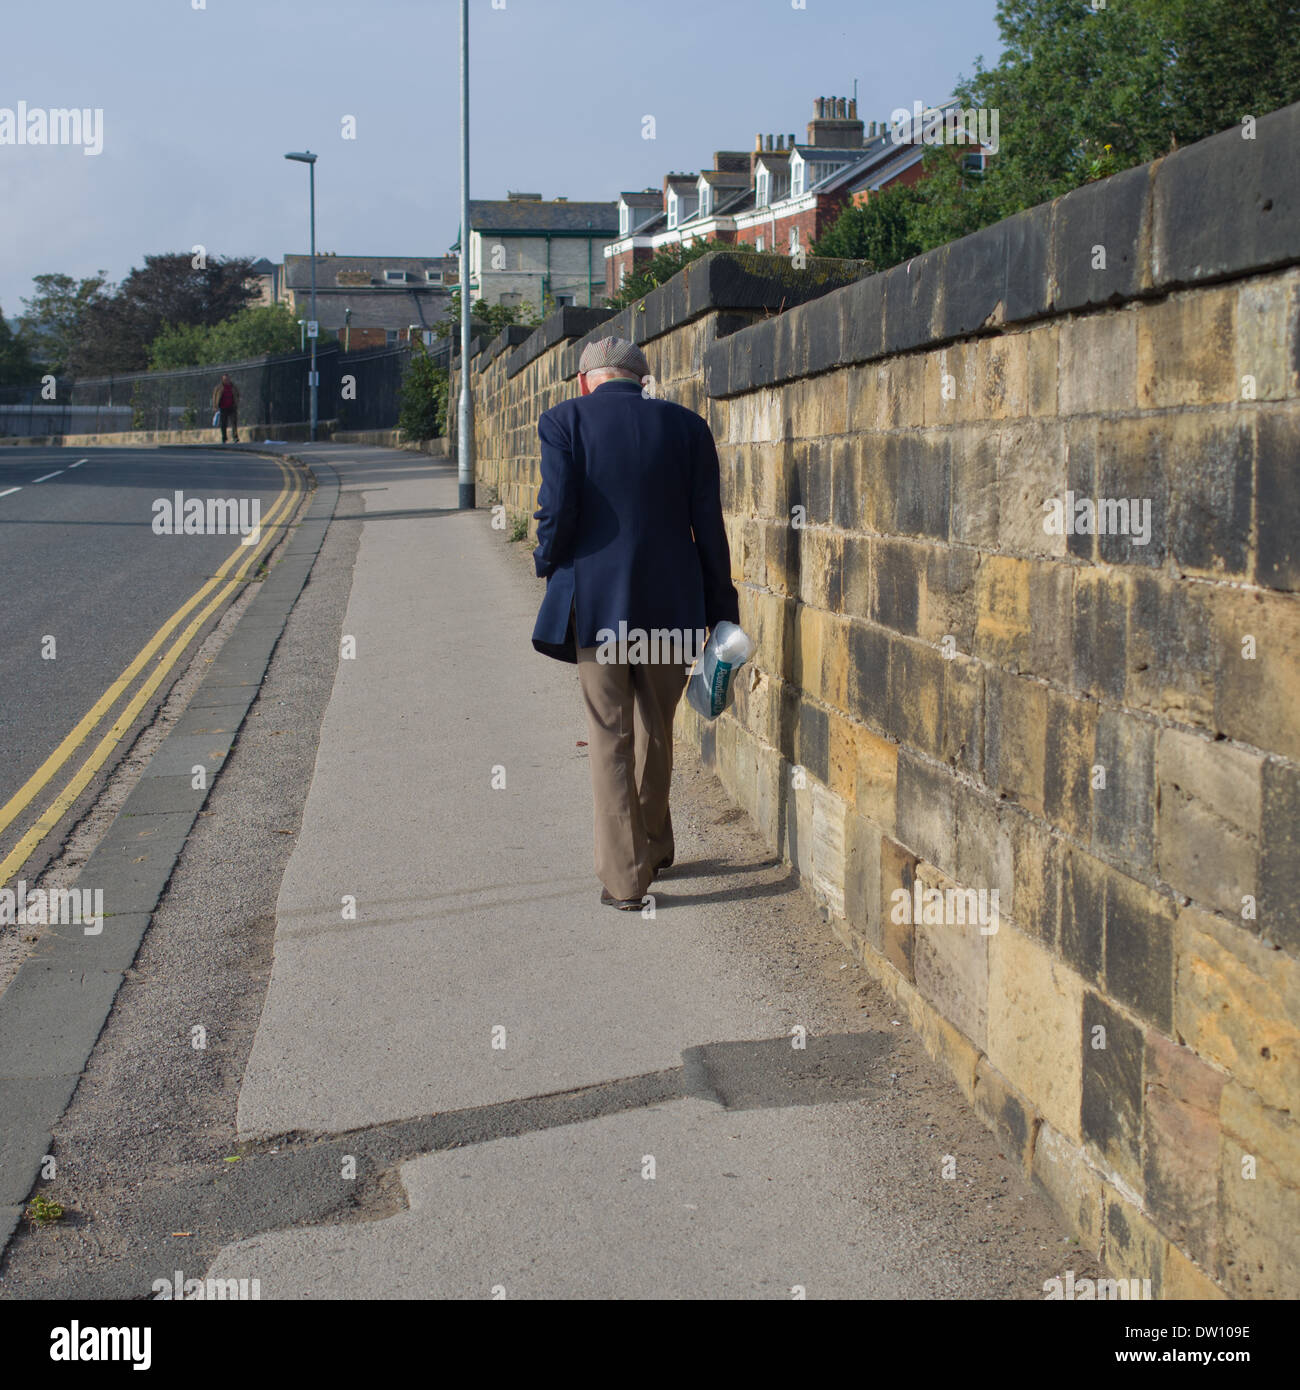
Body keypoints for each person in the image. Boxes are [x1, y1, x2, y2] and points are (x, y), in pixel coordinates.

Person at [531, 336, 740, 910]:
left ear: (584, 380)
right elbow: (709, 527)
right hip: (673, 605)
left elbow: (559, 509)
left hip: (596, 608)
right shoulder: (688, 427)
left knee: (609, 736)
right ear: (643, 379)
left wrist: (546, 557)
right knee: (655, 727)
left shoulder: (562, 421)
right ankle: (653, 843)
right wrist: (723, 607)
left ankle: (626, 880)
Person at [211, 373, 240, 443]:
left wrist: (237, 402)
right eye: (225, 379)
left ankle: (235, 437)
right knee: (223, 423)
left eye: (227, 379)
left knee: (234, 422)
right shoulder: (218, 388)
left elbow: (237, 394)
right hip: (223, 408)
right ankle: (224, 438)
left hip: (232, 407)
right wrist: (215, 406)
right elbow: (214, 397)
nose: (226, 380)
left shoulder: (233, 387)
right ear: (222, 380)